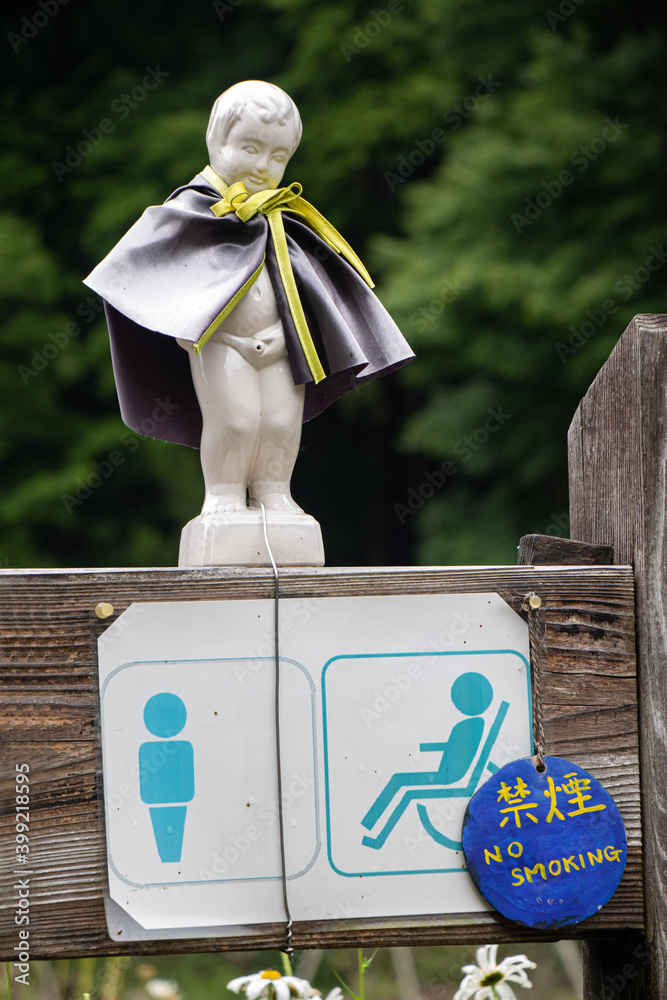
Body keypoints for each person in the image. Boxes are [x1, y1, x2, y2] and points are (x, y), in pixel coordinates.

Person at [84, 80, 413, 522]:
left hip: (281, 345)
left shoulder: (282, 224)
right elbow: (167, 283)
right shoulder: (194, 212)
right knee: (235, 421)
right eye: (251, 148)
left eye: (278, 158)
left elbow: (297, 292)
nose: (262, 167)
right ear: (217, 142)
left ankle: (275, 493)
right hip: (223, 344)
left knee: (280, 424)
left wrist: (286, 336)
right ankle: (223, 495)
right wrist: (197, 332)